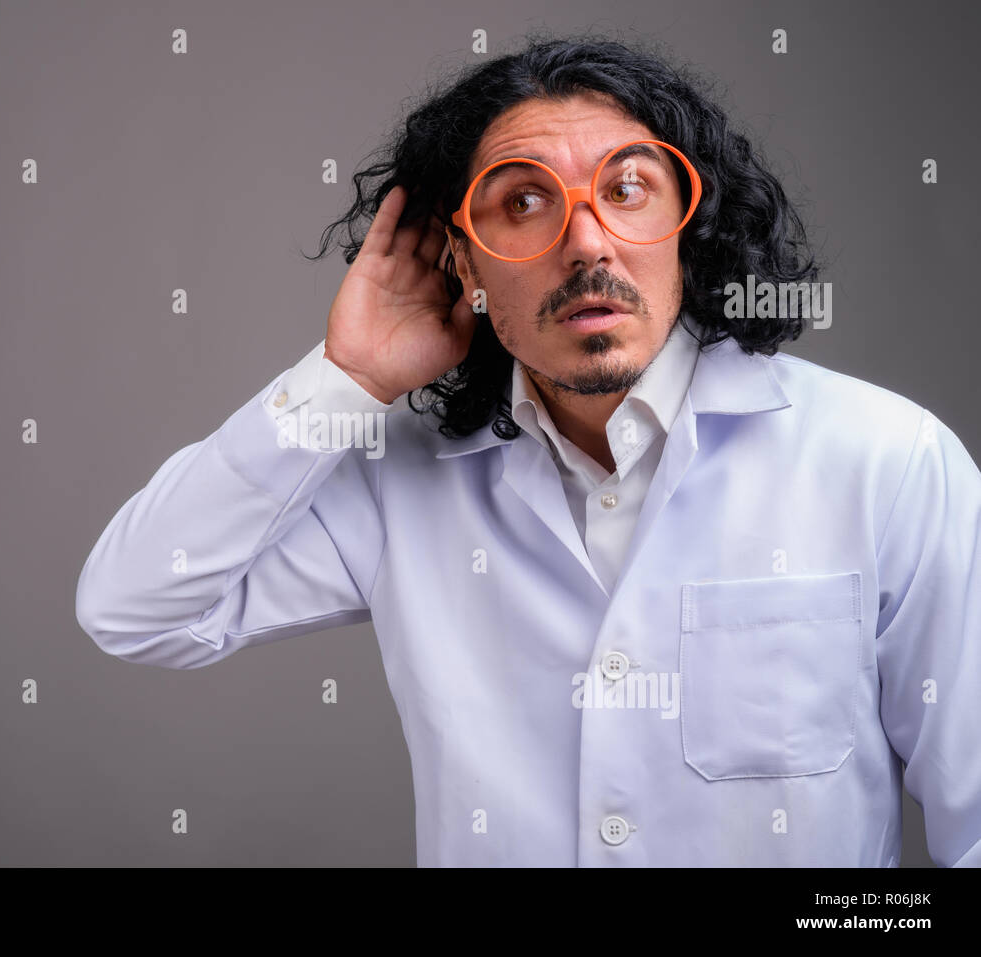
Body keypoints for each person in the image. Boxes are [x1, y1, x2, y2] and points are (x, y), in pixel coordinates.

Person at [75, 34, 981, 867]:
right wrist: (347, 378)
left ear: (685, 228)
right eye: (523, 202)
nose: (587, 240)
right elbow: (135, 606)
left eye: (627, 190)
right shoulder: (402, 481)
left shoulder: (886, 463)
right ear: (463, 264)